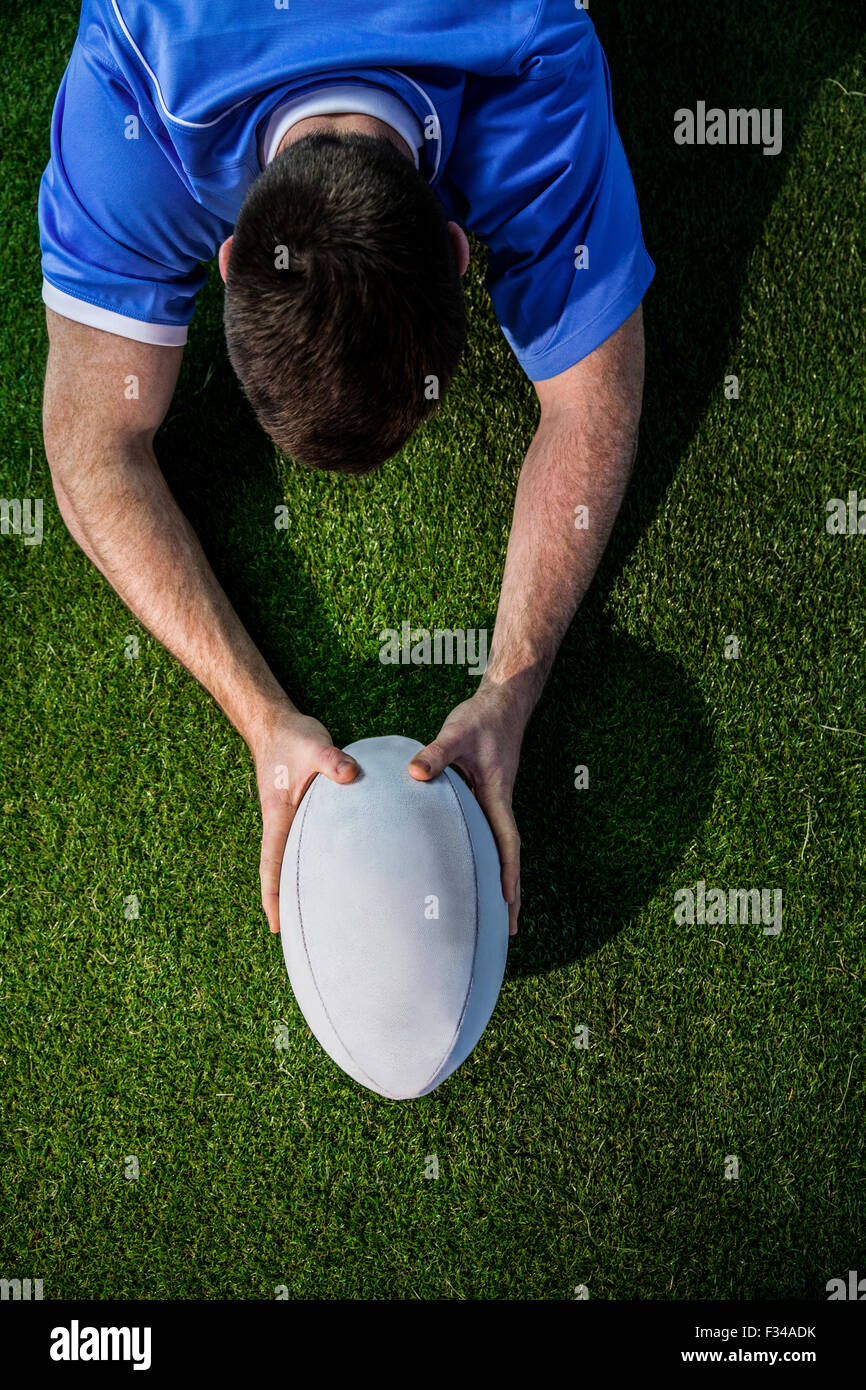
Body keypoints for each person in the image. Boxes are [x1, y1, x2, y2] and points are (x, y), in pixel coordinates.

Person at [40, 0, 654, 939]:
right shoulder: (533, 57)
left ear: (233, 253)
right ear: (460, 254)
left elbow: (596, 405)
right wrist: (256, 712)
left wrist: (508, 690)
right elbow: (87, 447)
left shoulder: (139, 61)